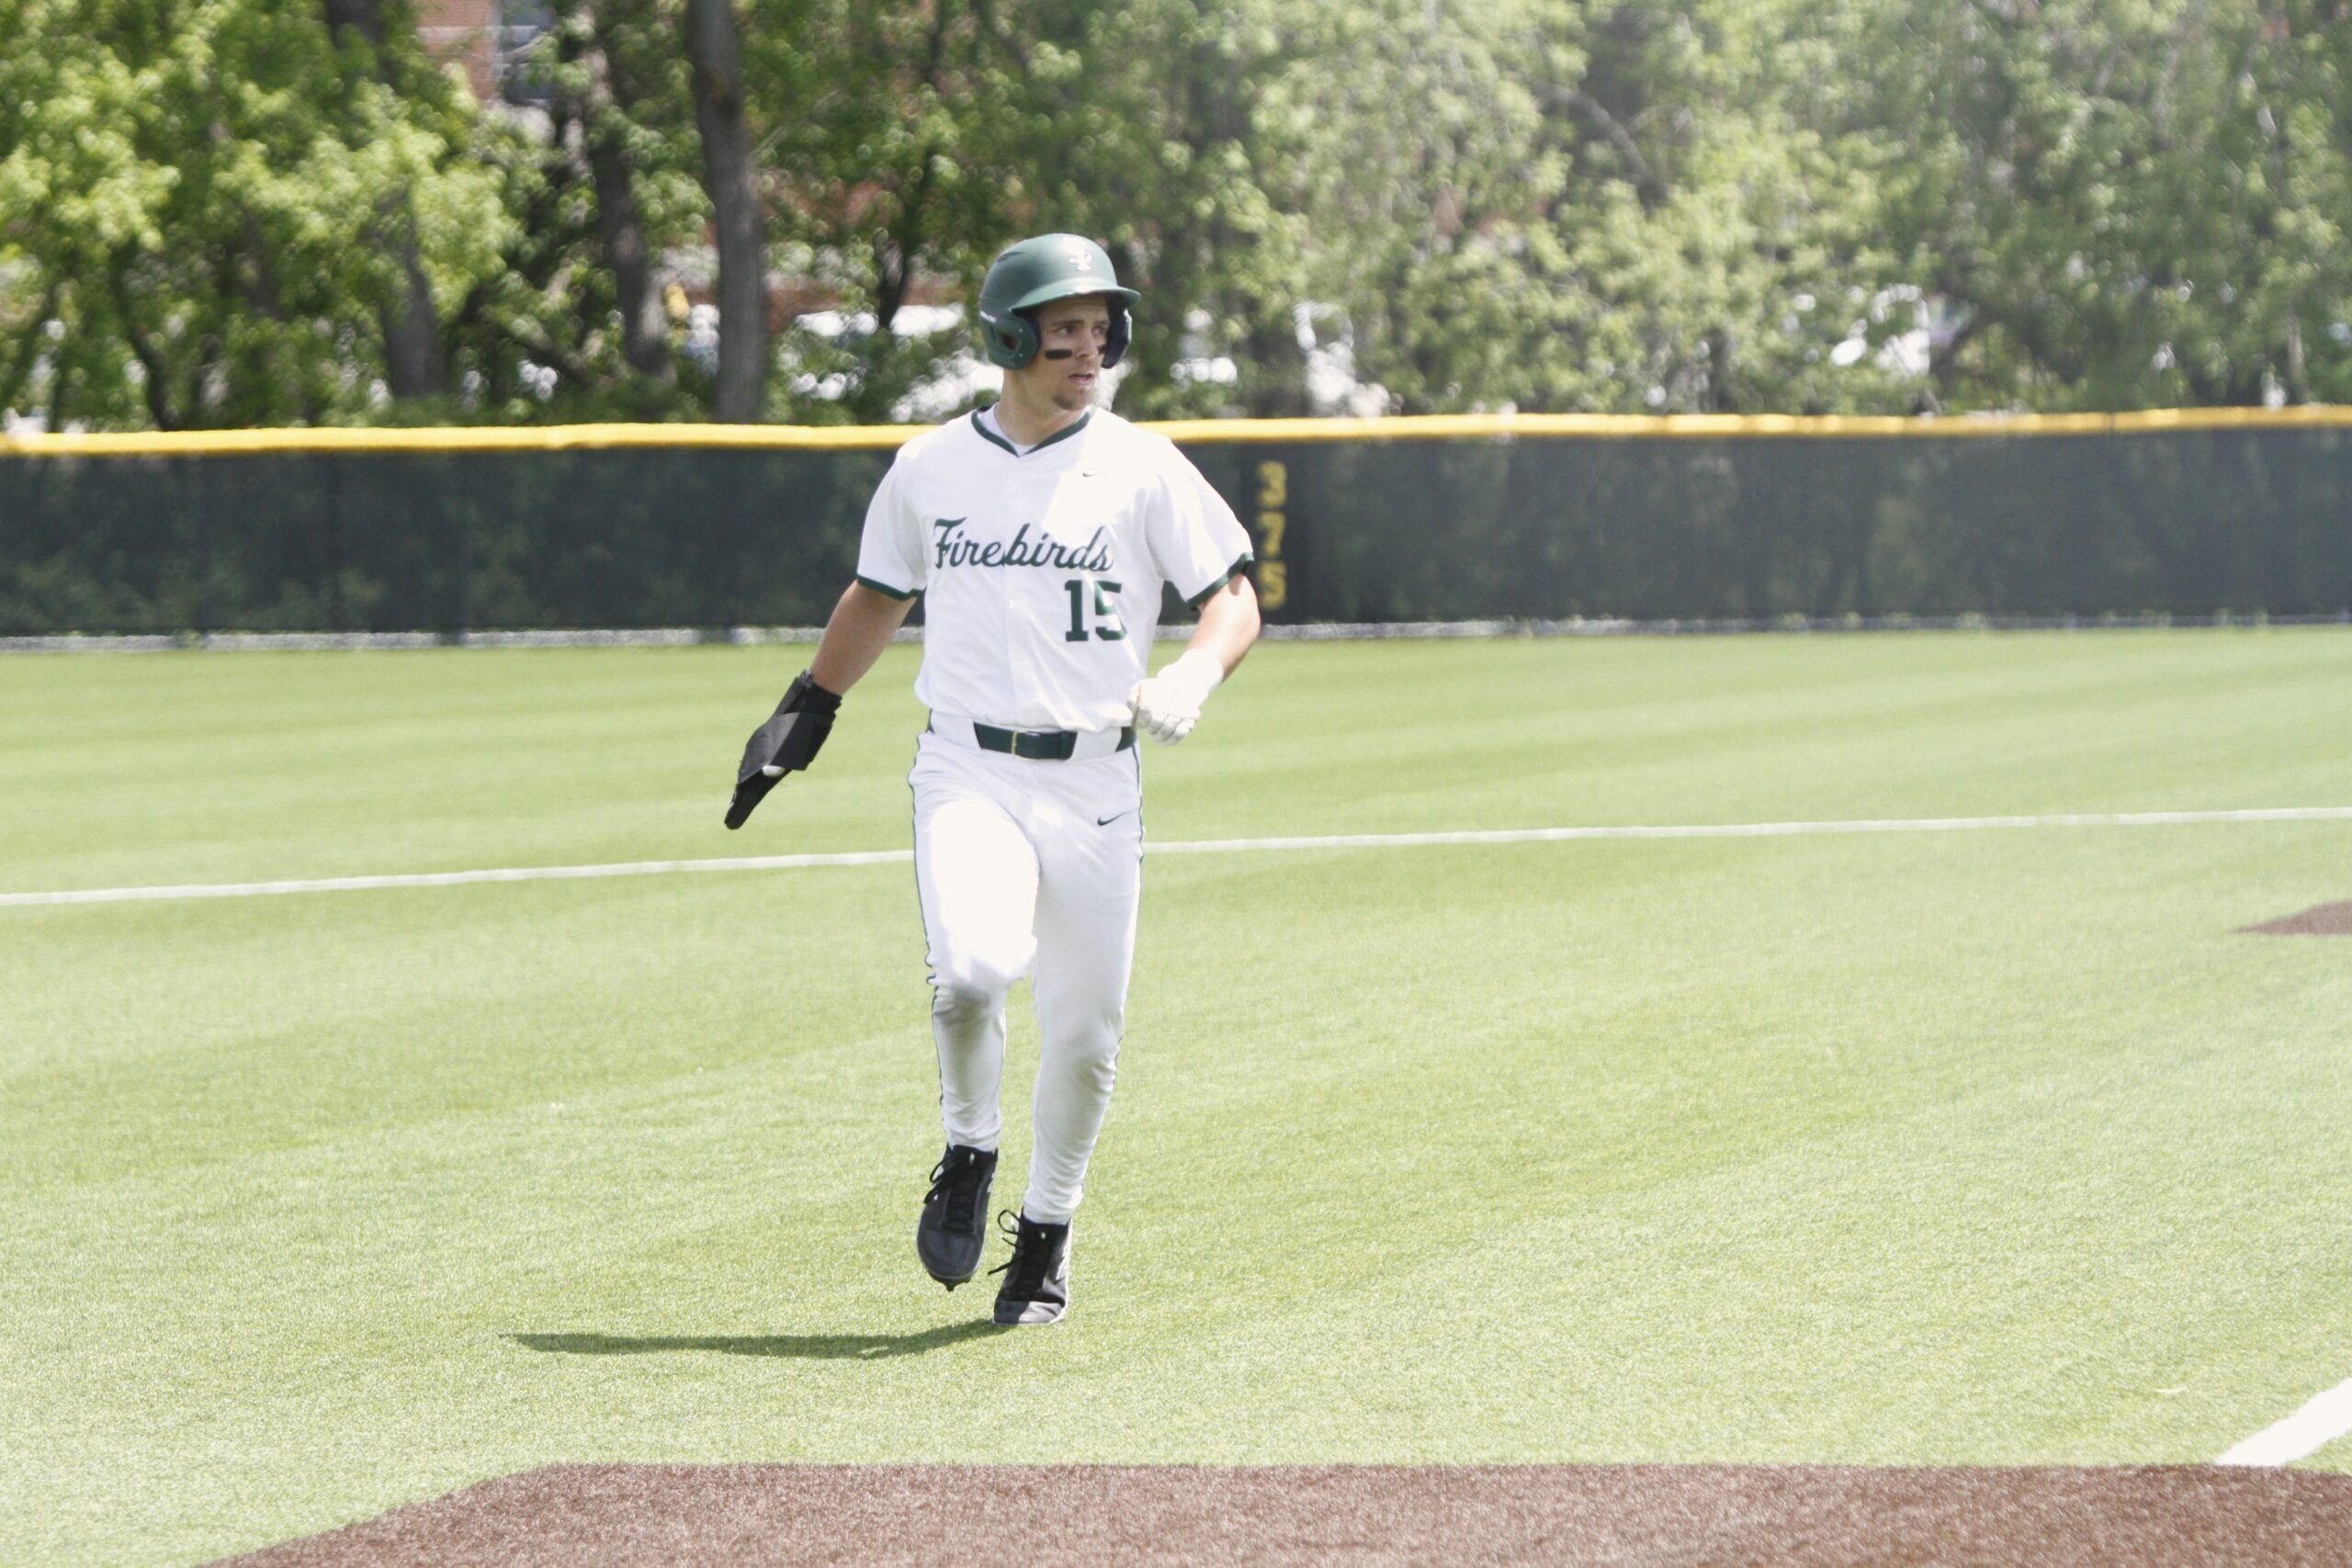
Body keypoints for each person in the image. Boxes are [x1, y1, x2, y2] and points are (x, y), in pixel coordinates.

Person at [728, 233, 1261, 1326]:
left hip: (1096, 783)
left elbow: (1234, 594)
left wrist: (1199, 669)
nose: (1088, 349)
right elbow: (878, 596)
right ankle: (969, 1148)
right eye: (1063, 330)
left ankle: (1046, 1235)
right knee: (970, 974)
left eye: (1101, 329)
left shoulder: (1141, 463)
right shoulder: (932, 468)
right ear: (1009, 336)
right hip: (967, 762)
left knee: (1083, 1033)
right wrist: (808, 707)